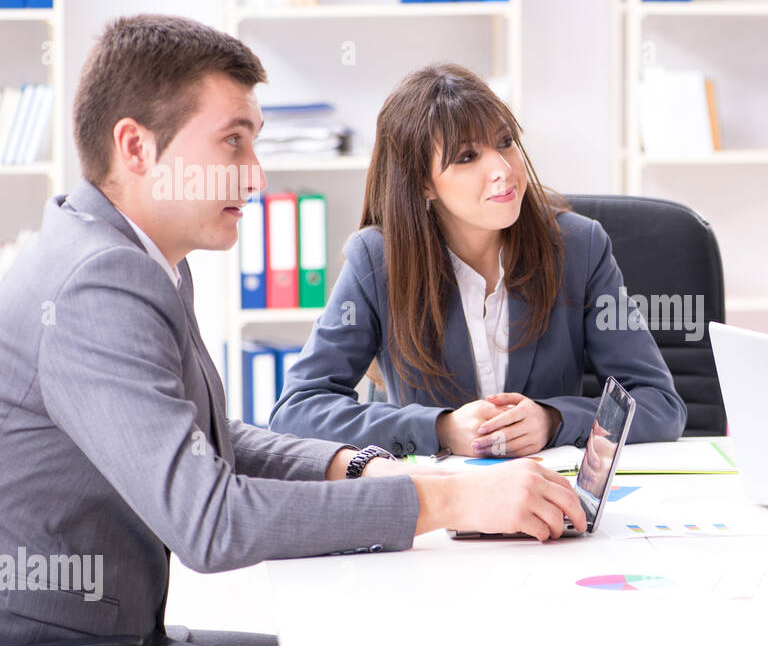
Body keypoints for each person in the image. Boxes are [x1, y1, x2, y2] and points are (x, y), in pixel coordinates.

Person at [0, 15, 583, 646]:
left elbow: (207, 439)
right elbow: (210, 520)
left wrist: (355, 465)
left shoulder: (134, 257)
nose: (256, 176)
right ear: (136, 147)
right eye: (233, 141)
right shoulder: (97, 282)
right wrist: (451, 496)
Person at [268, 63, 686, 458]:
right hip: (437, 513)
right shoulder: (376, 261)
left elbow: (660, 405)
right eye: (467, 157)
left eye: (505, 142)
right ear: (423, 184)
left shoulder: (579, 248)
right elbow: (297, 411)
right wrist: (442, 429)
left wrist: (553, 419)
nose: (503, 169)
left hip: (549, 504)